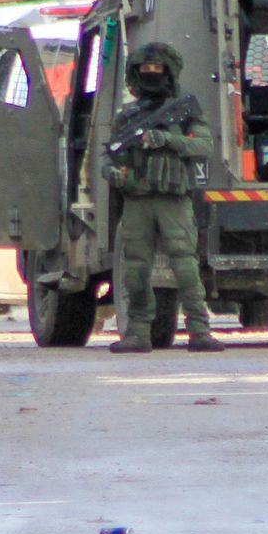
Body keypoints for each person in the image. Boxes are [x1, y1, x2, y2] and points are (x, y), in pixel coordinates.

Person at [106, 42, 224, 355]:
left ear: (168, 72)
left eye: (157, 69)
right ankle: (138, 333)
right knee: (135, 271)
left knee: (185, 266)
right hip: (138, 200)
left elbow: (204, 146)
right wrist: (114, 174)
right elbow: (108, 157)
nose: (151, 74)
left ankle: (199, 331)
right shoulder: (127, 116)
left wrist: (168, 139)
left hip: (174, 200)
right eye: (145, 69)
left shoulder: (183, 111)